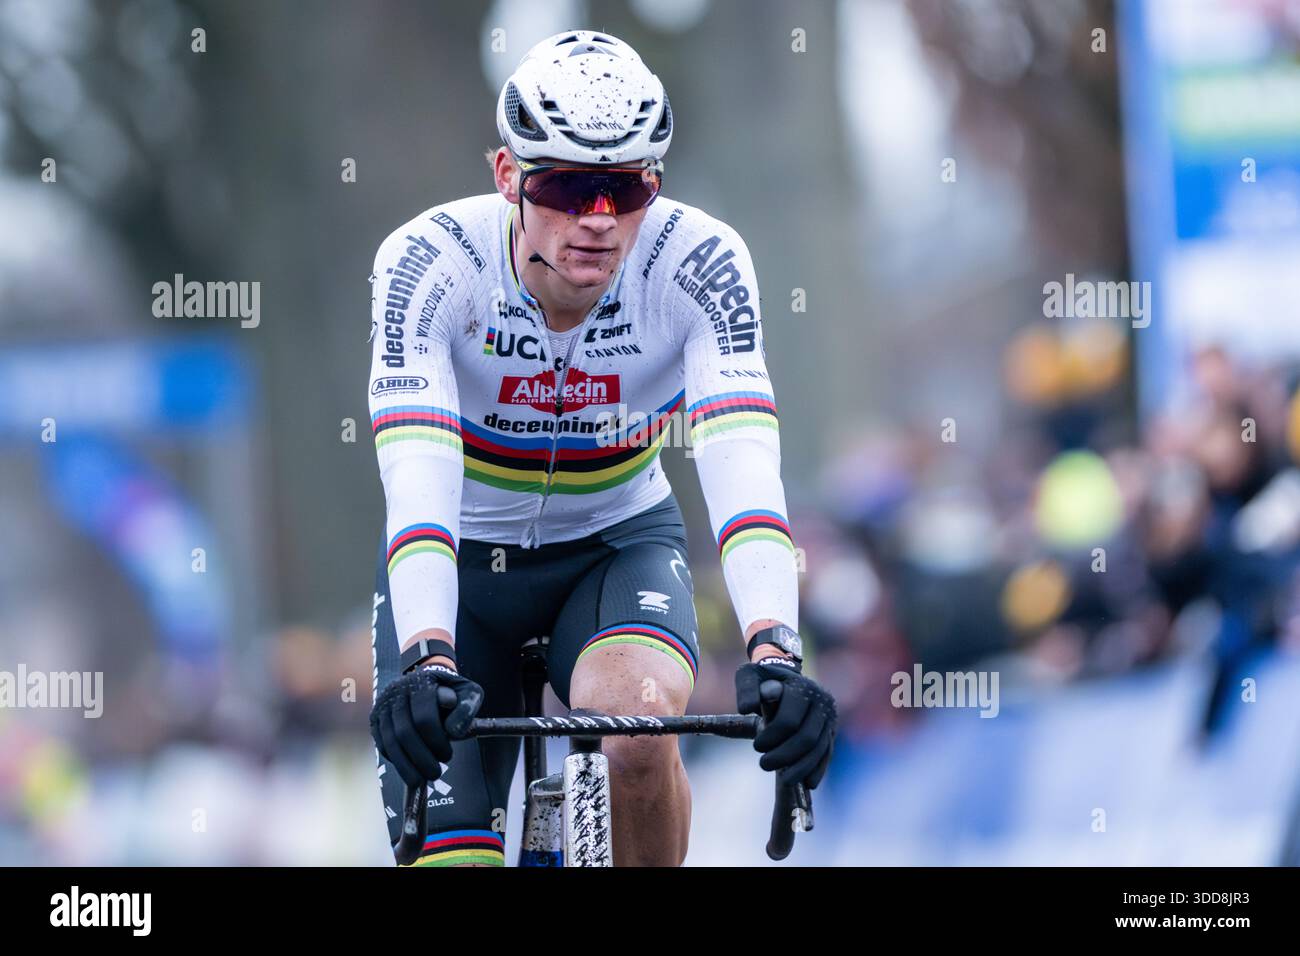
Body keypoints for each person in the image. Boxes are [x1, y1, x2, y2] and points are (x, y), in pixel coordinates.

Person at [366, 29, 835, 866]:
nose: (598, 220)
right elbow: (418, 472)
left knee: (639, 731)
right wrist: (427, 653)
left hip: (613, 549)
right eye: (569, 185)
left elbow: (741, 454)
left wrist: (774, 643)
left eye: (625, 188)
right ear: (509, 175)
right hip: (464, 571)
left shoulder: (700, 262)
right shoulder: (428, 264)